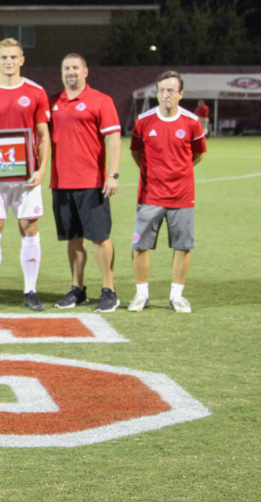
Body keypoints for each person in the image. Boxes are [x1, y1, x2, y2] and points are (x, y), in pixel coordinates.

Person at [0, 38, 50, 312]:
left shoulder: (36, 92)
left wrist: (42, 169)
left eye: (13, 57)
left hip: (27, 176)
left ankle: (30, 291)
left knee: (29, 227)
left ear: (22, 60)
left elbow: (43, 136)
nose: (9, 61)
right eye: (4, 57)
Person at [49, 54, 123, 313]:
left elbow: (114, 138)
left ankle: (109, 290)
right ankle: (77, 290)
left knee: (100, 238)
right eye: (66, 67)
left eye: (75, 68)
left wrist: (112, 174)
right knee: (73, 239)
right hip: (60, 183)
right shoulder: (53, 102)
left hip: (92, 182)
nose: (71, 72)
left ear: (85, 71)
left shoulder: (101, 100)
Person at [129, 70, 206, 313]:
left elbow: (198, 154)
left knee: (182, 247)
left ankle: (177, 296)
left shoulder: (192, 122)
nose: (165, 95)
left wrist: (179, 172)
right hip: (150, 195)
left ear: (180, 94)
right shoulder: (144, 121)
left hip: (182, 196)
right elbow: (136, 153)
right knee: (140, 246)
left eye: (170, 91)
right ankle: (142, 295)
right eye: (161, 90)